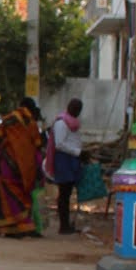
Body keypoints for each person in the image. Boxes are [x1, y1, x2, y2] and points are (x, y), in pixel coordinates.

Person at [0, 98, 43, 237]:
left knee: (7, 194)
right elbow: (38, 145)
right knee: (22, 195)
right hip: (26, 168)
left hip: (8, 164)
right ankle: (21, 225)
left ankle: (9, 226)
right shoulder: (32, 123)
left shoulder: (8, 120)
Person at [49, 98, 84, 235]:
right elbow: (60, 144)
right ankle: (63, 226)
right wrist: (77, 152)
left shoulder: (73, 123)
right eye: (75, 108)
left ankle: (66, 224)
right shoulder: (62, 123)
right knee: (64, 193)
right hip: (64, 160)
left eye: (78, 109)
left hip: (72, 160)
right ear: (69, 107)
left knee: (67, 193)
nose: (77, 111)